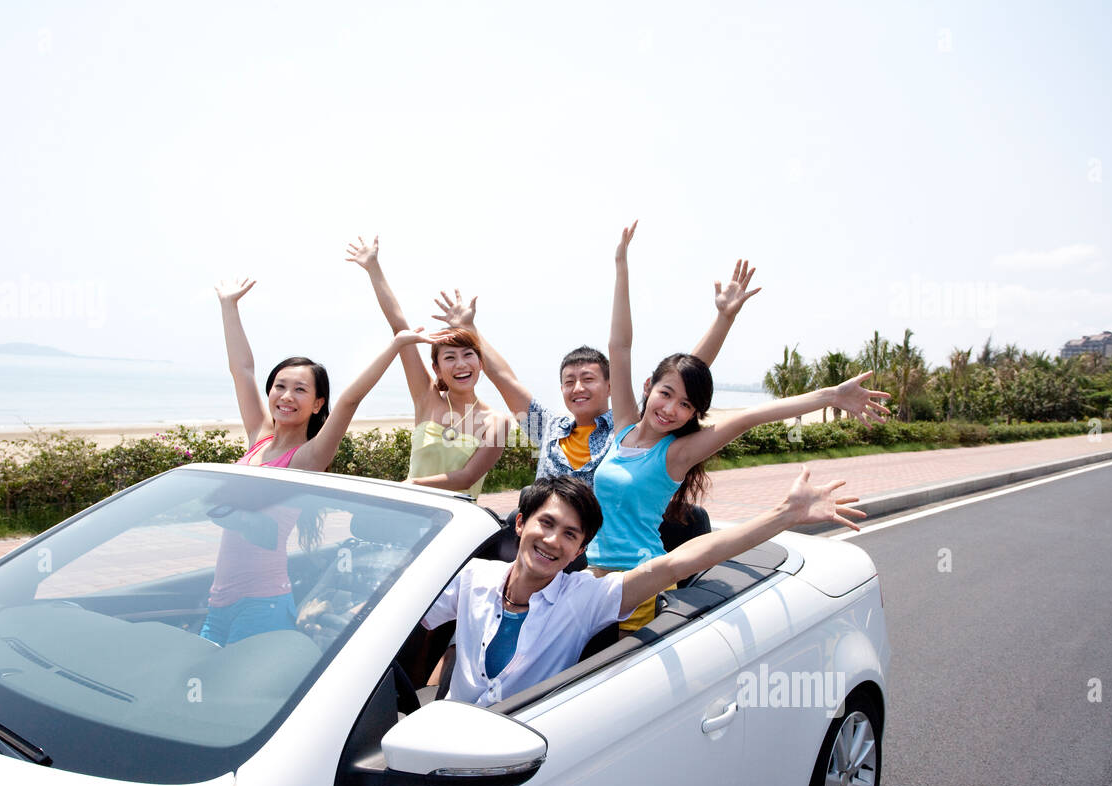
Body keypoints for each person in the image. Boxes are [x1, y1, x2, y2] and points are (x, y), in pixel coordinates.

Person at [589, 232, 892, 632]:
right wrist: (621, 265)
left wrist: (830, 396)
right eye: (666, 394)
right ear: (649, 386)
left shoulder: (675, 454)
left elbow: (750, 416)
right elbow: (620, 347)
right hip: (592, 579)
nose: (672, 409)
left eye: (686, 405)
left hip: (638, 585)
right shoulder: (625, 426)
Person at [423, 472, 864, 706]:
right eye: (546, 523)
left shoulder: (586, 598)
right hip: (441, 738)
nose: (554, 541)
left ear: (581, 549)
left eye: (571, 535)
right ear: (521, 523)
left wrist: (784, 515)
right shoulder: (472, 578)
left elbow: (682, 559)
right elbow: (398, 620)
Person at [201, 275, 440, 645]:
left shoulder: (307, 458)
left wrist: (395, 346)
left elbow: (348, 400)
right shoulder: (259, 437)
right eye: (280, 385)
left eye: (300, 390)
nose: (286, 395)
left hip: (262, 604)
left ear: (317, 405)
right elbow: (242, 370)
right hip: (220, 601)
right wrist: (229, 307)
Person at [469, 220, 761, 486]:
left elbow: (683, 374)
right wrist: (470, 328)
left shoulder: (627, 428)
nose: (577, 387)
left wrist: (724, 319)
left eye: (587, 378)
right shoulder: (547, 428)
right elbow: (503, 378)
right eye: (569, 381)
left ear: (610, 386)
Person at [346, 237, 510, 496]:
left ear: (480, 363)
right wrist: (373, 268)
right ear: (436, 368)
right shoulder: (426, 397)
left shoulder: (498, 422)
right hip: (410, 512)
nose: (460, 364)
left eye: (468, 355)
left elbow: (467, 477)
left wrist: (412, 484)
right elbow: (400, 326)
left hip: (458, 523)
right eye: (449, 357)